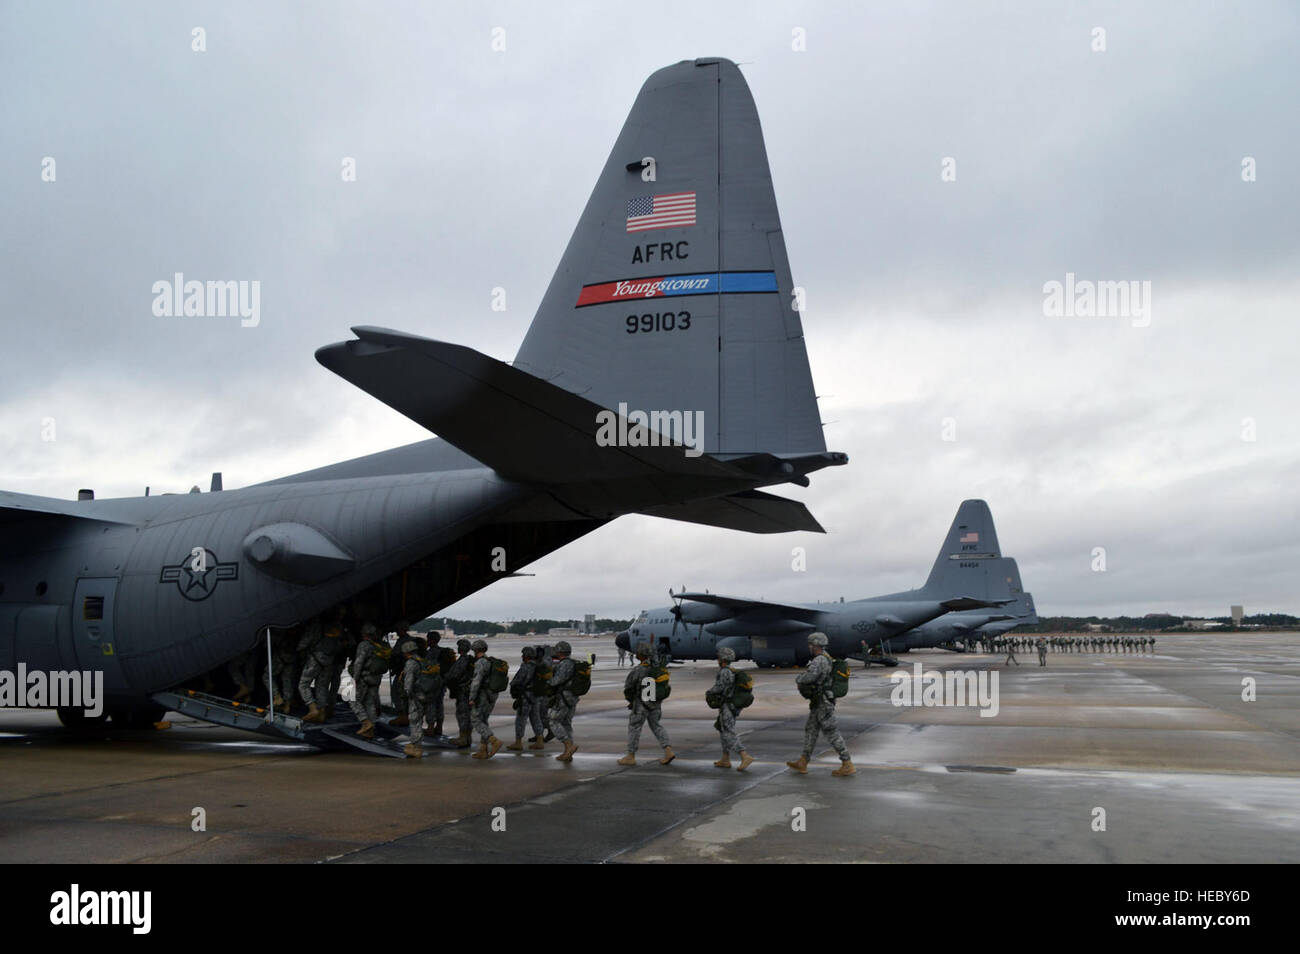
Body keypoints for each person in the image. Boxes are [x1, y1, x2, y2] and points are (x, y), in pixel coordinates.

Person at [787, 633, 854, 776]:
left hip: (823, 702)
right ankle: (803, 761)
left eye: (810, 644)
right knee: (811, 729)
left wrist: (799, 679)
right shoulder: (826, 657)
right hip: (819, 701)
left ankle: (847, 763)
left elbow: (810, 677)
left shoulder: (819, 660)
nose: (809, 647)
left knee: (831, 732)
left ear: (815, 645)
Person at [617, 642, 675, 766]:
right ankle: (668, 750)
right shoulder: (658, 668)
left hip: (641, 705)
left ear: (641, 655)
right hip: (655, 704)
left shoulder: (639, 669)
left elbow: (628, 688)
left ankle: (630, 756)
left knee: (634, 728)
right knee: (656, 726)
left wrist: (631, 701)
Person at [706, 647, 752, 771]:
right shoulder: (731, 670)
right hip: (731, 705)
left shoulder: (725, 672)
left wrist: (709, 692)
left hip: (728, 705)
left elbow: (720, 687)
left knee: (728, 732)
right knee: (723, 729)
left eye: (719, 657)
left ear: (722, 659)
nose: (718, 659)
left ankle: (744, 755)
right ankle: (725, 758)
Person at [349, 622, 391, 738]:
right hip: (375, 679)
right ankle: (371, 730)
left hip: (364, 677)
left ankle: (365, 722)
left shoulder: (364, 645)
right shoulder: (378, 646)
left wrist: (355, 678)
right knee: (369, 703)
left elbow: (359, 662)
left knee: (353, 700)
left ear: (364, 633)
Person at [467, 639, 504, 759]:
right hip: (492, 695)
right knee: (483, 720)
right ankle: (483, 749)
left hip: (482, 695)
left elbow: (476, 681)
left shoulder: (480, 663)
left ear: (476, 650)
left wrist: (472, 697)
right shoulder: (491, 661)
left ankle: (494, 741)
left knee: (475, 720)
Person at [547, 641, 579, 762]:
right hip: (572, 697)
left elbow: (557, 680)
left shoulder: (564, 664)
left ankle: (568, 746)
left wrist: (548, 682)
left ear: (559, 651)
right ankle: (567, 753)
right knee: (566, 723)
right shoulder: (573, 663)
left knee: (553, 721)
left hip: (563, 698)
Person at [507, 647, 544, 751]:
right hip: (536, 697)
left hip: (525, 697)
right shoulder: (538, 666)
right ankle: (540, 741)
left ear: (526, 656)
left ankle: (518, 742)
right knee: (536, 718)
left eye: (523, 655)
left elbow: (517, 681)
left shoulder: (526, 667)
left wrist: (513, 685)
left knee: (520, 719)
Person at [443, 638, 474, 748]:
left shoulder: (462, 660)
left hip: (463, 692)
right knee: (468, 715)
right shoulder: (471, 660)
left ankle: (463, 738)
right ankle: (468, 738)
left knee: (462, 714)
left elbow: (454, 675)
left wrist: (444, 678)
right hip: (469, 691)